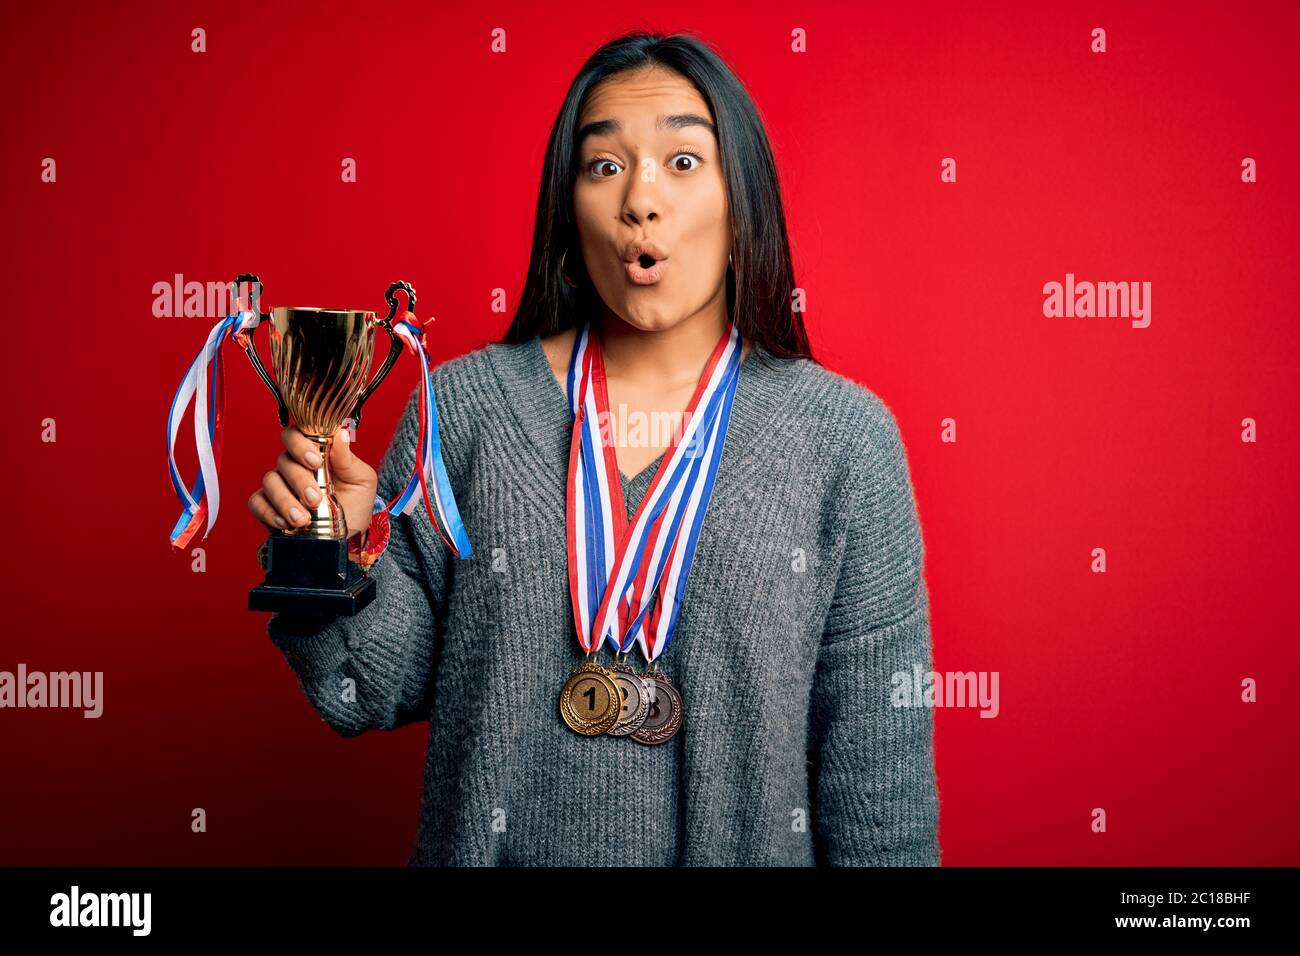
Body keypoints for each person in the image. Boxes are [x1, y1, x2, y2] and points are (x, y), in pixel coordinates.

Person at [249, 30, 941, 866]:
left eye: (683, 161)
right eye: (604, 165)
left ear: (742, 196)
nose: (639, 200)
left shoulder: (847, 443)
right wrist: (327, 544)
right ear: (568, 207)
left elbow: (882, 800)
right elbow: (364, 689)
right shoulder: (465, 409)